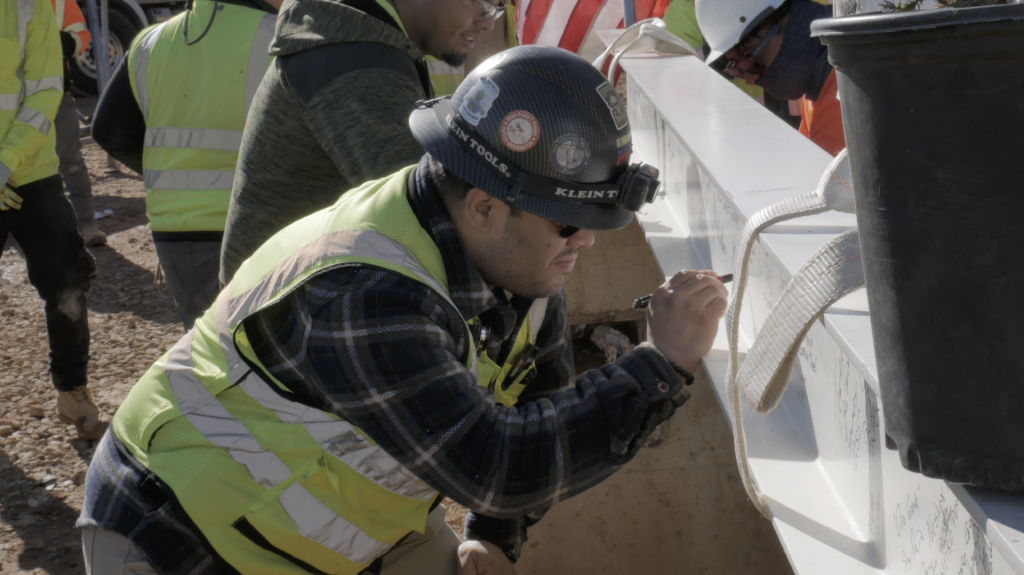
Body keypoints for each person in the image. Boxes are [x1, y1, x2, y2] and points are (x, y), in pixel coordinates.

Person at [77, 46, 729, 575]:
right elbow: (498, 466)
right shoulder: (368, 292)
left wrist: (495, 538)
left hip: (327, 523)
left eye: (594, 221)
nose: (584, 241)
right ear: (483, 206)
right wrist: (659, 365)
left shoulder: (519, 263)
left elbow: (537, 403)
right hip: (182, 530)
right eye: (569, 223)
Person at [218, 0, 500, 285]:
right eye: (485, 2)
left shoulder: (369, 40)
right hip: (277, 311)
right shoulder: (356, 59)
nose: (489, 21)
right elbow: (430, 218)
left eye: (498, 7)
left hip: (288, 296)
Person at [89, 0, 279, 330]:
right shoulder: (281, 37)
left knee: (211, 356)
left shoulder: (150, 42)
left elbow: (109, 129)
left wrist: (172, 175)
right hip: (256, 229)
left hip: (175, 237)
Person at [2, 0, 106, 439]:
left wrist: (5, 162)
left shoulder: (29, 4)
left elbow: (45, 89)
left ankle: (72, 390)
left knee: (66, 284)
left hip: (31, 173)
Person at [696, 0, 845, 155]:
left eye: (750, 59)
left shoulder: (846, 93)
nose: (750, 80)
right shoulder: (818, 84)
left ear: (789, 21)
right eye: (738, 67)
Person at [51, 0, 107, 247]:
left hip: (54, 92)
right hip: (10, 96)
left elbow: (81, 38)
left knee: (70, 159)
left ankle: (85, 224)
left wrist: (47, 39)